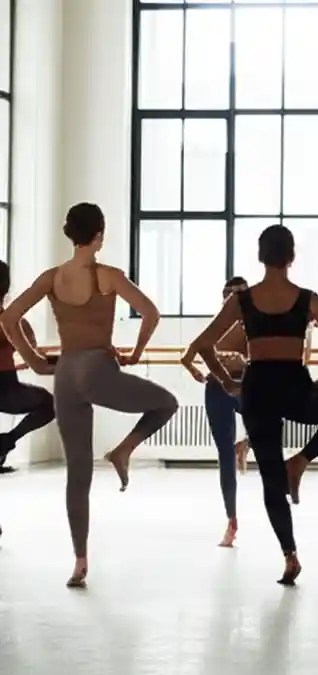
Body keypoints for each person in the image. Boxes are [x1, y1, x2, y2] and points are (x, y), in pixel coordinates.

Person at [0, 203, 178, 588]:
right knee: (167, 403)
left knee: (77, 475)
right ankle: (124, 449)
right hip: (97, 368)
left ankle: (79, 562)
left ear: (71, 233)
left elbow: (9, 316)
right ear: (99, 235)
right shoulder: (108, 276)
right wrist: (134, 352)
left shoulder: (52, 277)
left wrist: (34, 361)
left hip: (65, 374)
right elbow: (150, 312)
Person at [187, 224, 318, 585]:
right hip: (294, 385)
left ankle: (290, 555)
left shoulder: (243, 300)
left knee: (270, 478)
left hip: (258, 388)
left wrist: (230, 381)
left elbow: (202, 345)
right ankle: (301, 460)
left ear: (261, 256)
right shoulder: (307, 298)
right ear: (291, 257)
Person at [180, 276, 251, 548]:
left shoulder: (251, 327)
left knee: (269, 424)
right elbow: (187, 355)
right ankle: (231, 520)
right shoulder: (215, 326)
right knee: (223, 454)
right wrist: (198, 371)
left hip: (244, 387)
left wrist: (241, 360)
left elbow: (260, 360)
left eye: (239, 295)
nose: (233, 300)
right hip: (217, 389)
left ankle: (244, 445)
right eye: (229, 295)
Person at [0, 260, 56, 472]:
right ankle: (6, 441)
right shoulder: (12, 323)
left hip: (6, 388)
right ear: (6, 288)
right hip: (5, 391)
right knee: (50, 403)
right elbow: (39, 366)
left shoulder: (14, 323)